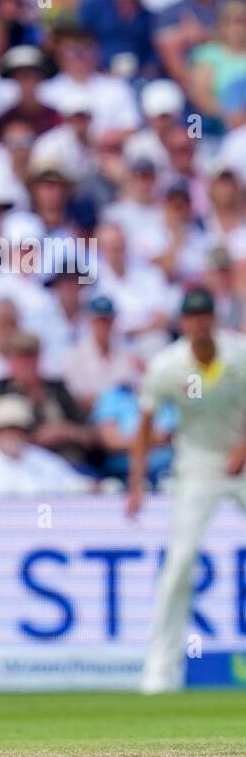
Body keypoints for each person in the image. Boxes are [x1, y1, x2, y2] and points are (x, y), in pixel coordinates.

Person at [127, 288, 246, 694]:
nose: (198, 323)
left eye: (204, 315)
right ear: (183, 323)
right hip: (197, 465)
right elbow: (143, 427)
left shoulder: (239, 354)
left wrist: (243, 447)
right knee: (180, 561)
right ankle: (161, 670)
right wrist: (135, 486)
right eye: (191, 317)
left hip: (243, 459)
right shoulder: (167, 366)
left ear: (213, 318)